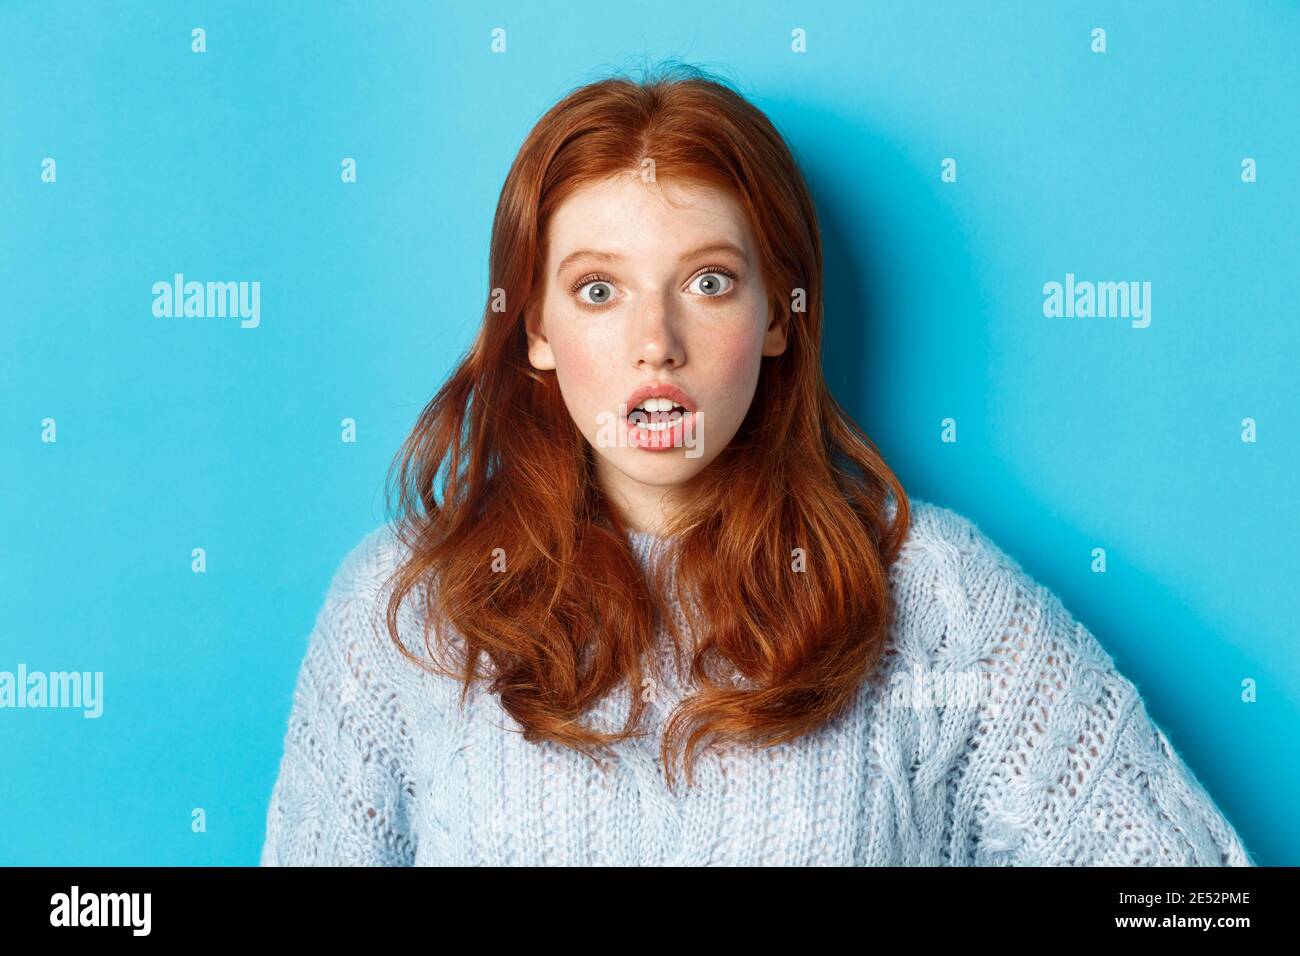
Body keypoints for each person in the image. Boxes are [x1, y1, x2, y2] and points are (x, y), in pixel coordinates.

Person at [259, 63, 1254, 866]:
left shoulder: (933, 592)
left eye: (708, 280)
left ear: (780, 315)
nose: (657, 340)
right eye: (598, 289)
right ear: (535, 332)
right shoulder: (402, 604)